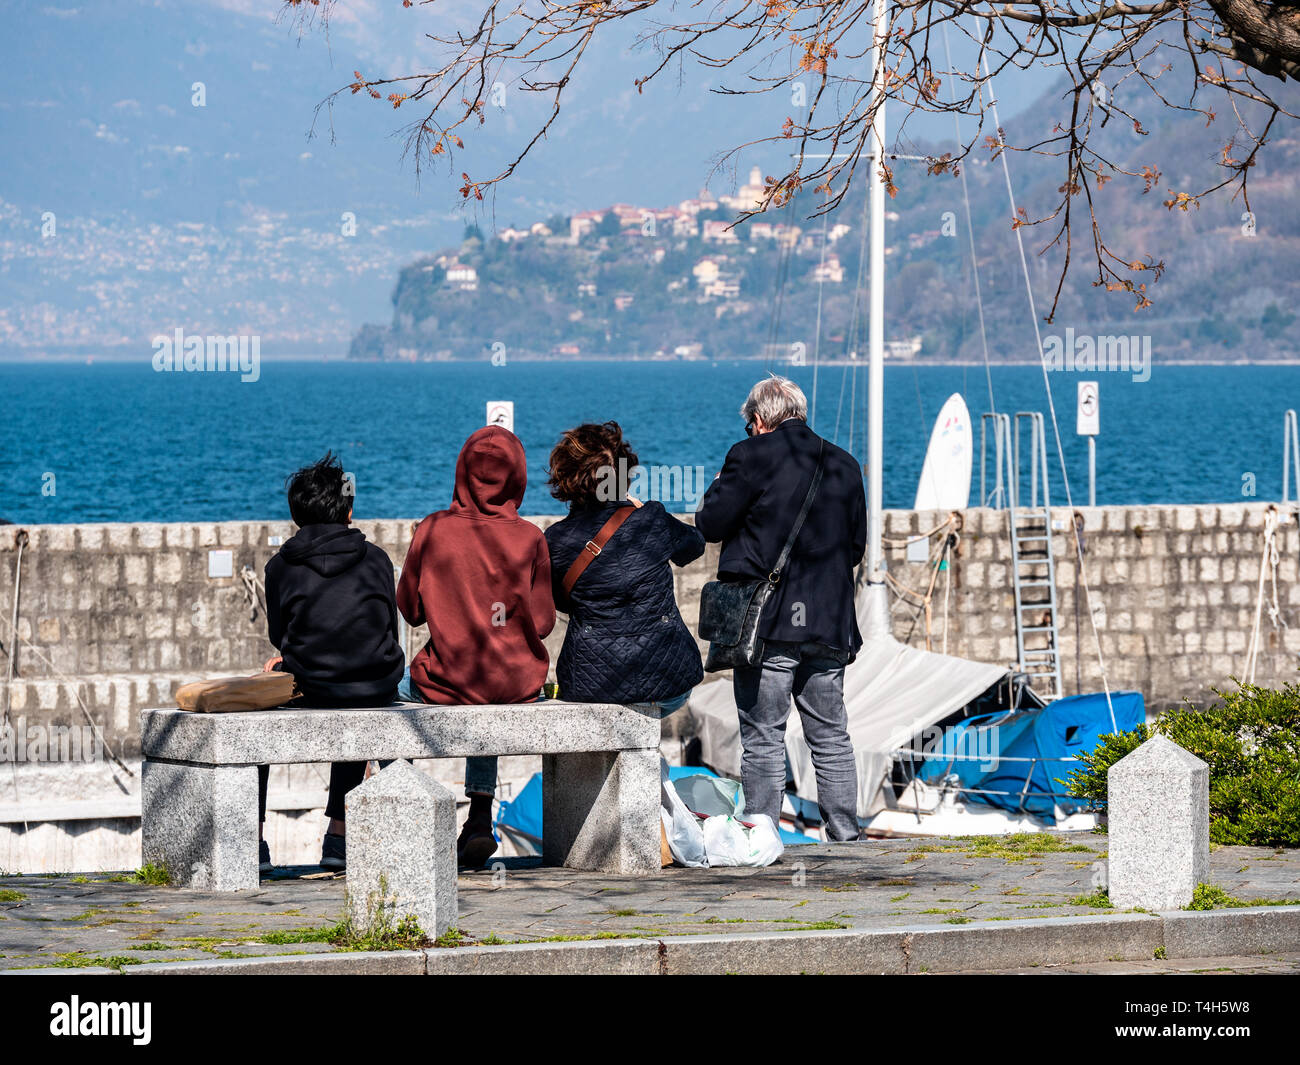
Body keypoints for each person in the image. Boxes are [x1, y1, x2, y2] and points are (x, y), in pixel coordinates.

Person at [694, 375, 866, 842]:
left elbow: (709, 525)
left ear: (758, 420)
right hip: (830, 625)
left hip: (766, 627)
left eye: (750, 426)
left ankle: (763, 836)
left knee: (764, 736)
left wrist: (715, 489)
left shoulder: (747, 456)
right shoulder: (846, 465)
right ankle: (846, 837)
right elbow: (855, 548)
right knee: (831, 736)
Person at [397, 425, 555, 868]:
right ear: (516, 477)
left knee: (390, 689)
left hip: (445, 683)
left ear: (462, 472)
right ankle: (480, 817)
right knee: (489, 682)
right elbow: (542, 624)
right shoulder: (530, 539)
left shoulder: (433, 530)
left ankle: (403, 803)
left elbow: (409, 610)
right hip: (517, 684)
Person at [260, 452, 405, 873]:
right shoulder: (377, 559)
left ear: (296, 514)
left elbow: (279, 636)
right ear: (349, 509)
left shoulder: (280, 566)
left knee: (254, 707)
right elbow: (386, 630)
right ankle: (338, 839)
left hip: (314, 684)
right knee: (353, 688)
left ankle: (252, 841)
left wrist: (284, 664)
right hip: (376, 684)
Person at [543, 422, 704, 715]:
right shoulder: (652, 519)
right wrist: (644, 513)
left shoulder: (555, 540)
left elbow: (558, 602)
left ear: (567, 477)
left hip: (592, 686)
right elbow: (695, 547)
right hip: (668, 677)